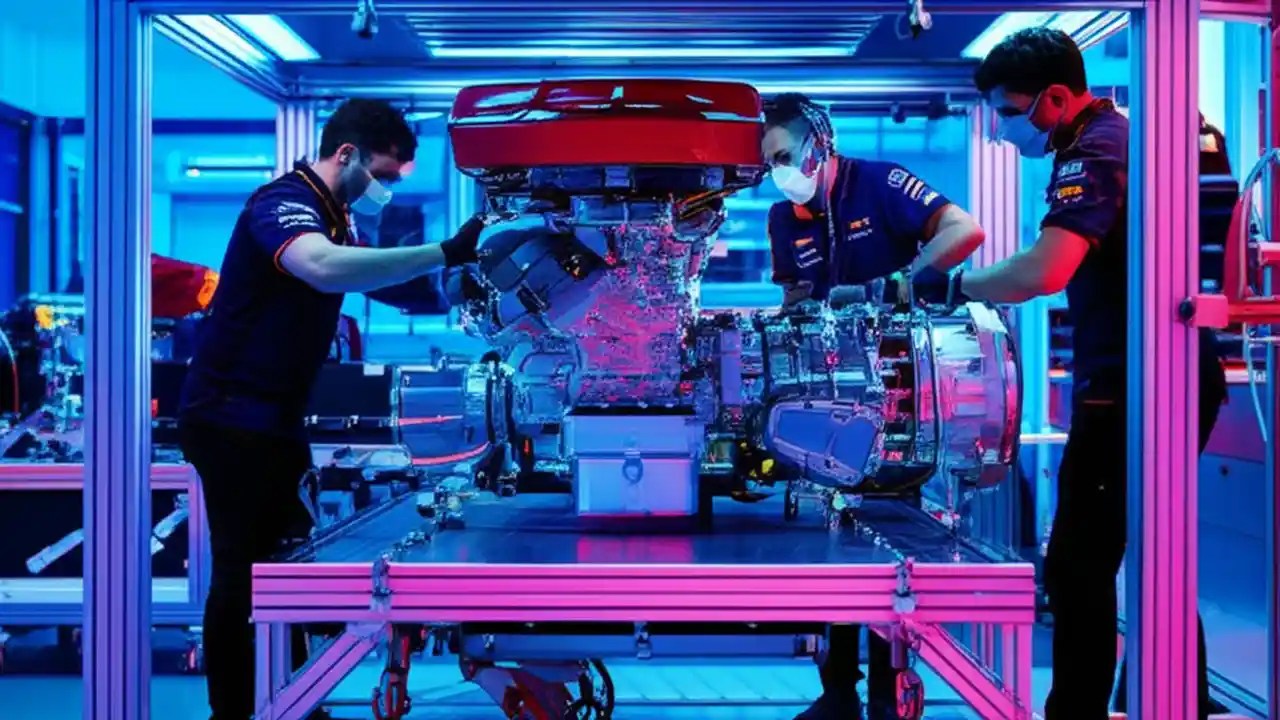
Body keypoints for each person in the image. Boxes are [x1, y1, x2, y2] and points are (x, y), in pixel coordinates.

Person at [919, 28, 1228, 719]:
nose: (1004, 130)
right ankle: (1172, 698)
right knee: (1152, 549)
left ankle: (1089, 710)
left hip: (1141, 386)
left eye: (1010, 111)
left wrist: (956, 286)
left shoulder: (1093, 147)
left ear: (1056, 98)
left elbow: (1044, 268)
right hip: (1150, 378)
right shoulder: (1113, 137)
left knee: (1078, 564)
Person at [177, 98, 485, 720]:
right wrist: (445, 253)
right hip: (230, 418)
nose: (390, 188)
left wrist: (467, 278)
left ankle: (286, 695)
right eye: (386, 174)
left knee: (286, 566)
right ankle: (236, 710)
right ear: (346, 155)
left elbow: (377, 279)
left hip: (273, 420)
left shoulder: (337, 215)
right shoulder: (282, 203)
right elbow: (321, 268)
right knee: (243, 571)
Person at [760, 92, 987, 720]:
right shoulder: (787, 219)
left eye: (783, 156)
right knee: (825, 541)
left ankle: (888, 695)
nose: (779, 173)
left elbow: (965, 230)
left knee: (888, 554)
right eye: (768, 165)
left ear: (817, 144)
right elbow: (793, 300)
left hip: (895, 400)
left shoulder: (880, 183)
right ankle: (837, 693)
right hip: (823, 406)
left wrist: (904, 282)